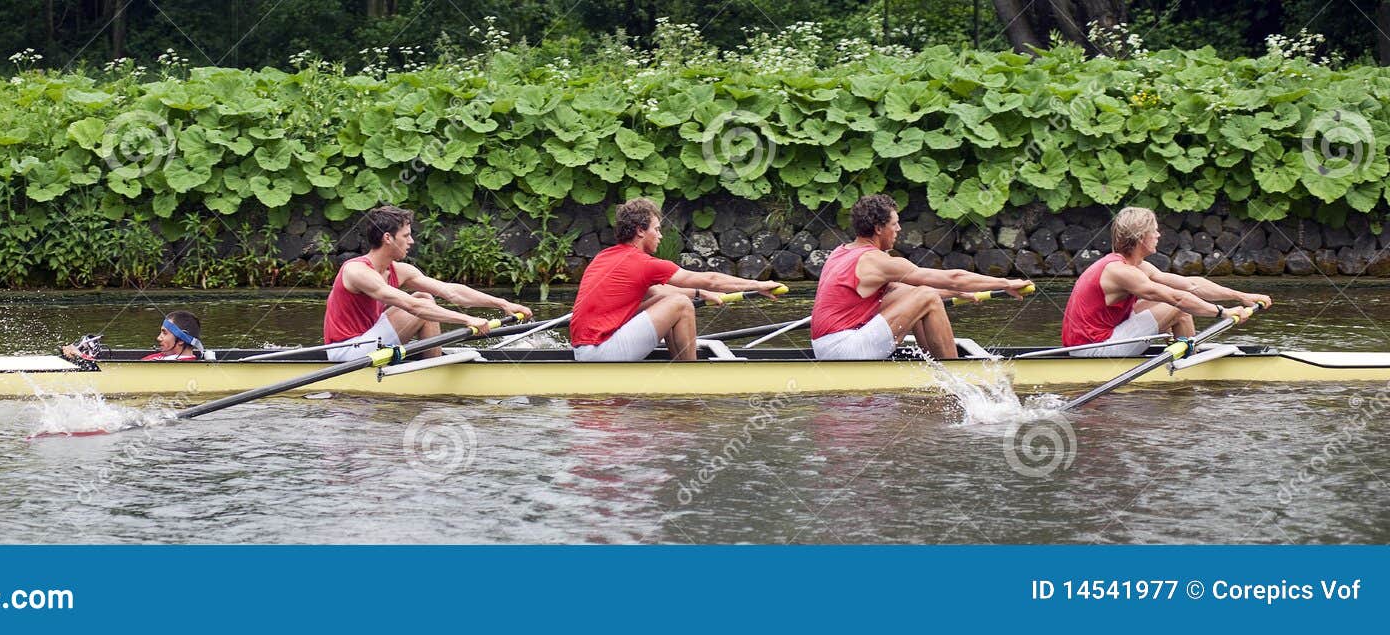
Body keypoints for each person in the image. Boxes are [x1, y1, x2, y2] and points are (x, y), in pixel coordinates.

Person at [811, 194, 1031, 360]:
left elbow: (901, 292)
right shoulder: (878, 261)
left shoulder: (841, 251)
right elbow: (953, 276)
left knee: (918, 296)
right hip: (843, 349)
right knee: (925, 295)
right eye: (894, 223)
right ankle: (954, 374)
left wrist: (957, 293)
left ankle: (933, 367)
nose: (898, 228)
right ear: (879, 228)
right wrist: (1006, 282)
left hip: (826, 346)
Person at [570, 198, 783, 362]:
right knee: (681, 304)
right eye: (657, 229)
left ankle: (677, 366)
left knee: (675, 299)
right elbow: (708, 279)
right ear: (640, 231)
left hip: (583, 351)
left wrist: (700, 294)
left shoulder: (605, 256)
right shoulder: (644, 263)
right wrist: (759, 285)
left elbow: (659, 292)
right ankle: (689, 374)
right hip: (600, 352)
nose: (660, 236)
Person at [324, 205, 533, 361]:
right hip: (345, 350)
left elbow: (451, 292)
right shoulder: (357, 270)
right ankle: (435, 368)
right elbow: (412, 306)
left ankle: (433, 364)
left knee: (425, 298)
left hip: (368, 342)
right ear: (388, 238)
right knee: (422, 302)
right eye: (406, 236)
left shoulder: (400, 271)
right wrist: (466, 319)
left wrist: (503, 303)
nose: (411, 241)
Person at [1061, 206, 1270, 357]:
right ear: (1141, 237)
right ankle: (1188, 362)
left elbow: (1191, 285)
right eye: (1154, 230)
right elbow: (1174, 297)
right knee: (1177, 307)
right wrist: (1223, 312)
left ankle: (1186, 351)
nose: (1158, 235)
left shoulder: (1136, 266)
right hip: (1090, 350)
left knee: (1178, 308)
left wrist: (1242, 296)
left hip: (1096, 340)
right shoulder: (1120, 271)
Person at [60, 310, 204, 361]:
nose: (158, 338)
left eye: (164, 333)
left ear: (180, 340)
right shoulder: (166, 359)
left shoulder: (174, 365)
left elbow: (115, 378)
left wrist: (80, 356)